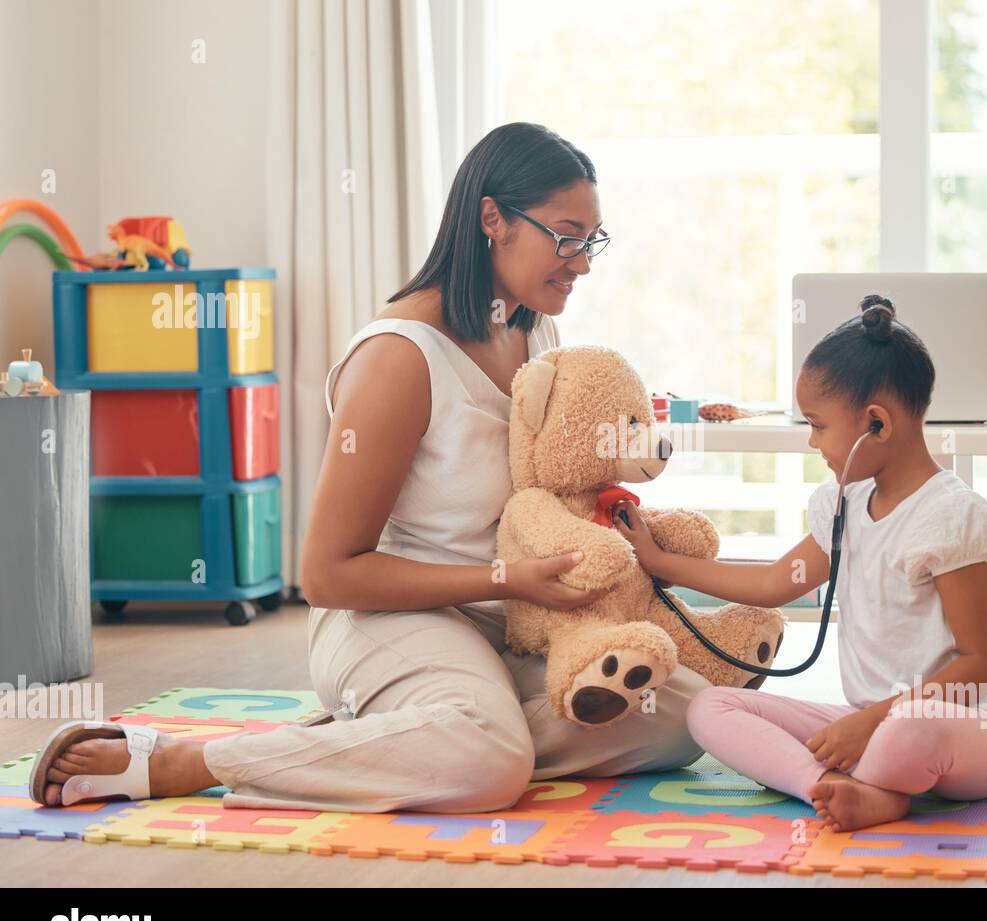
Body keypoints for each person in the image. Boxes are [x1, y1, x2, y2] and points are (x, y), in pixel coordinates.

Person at [32, 122, 708, 812]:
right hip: (389, 617)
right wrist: (504, 577)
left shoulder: (534, 328)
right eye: (567, 237)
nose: (583, 263)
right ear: (492, 219)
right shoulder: (398, 357)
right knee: (488, 763)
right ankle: (194, 760)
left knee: (685, 711)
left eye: (592, 241)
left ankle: (409, 733)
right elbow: (328, 574)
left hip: (511, 619)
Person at [612, 294, 987, 832]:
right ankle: (830, 790)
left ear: (876, 424)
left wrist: (874, 723)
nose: (812, 442)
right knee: (710, 708)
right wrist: (659, 560)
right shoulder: (842, 504)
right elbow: (769, 583)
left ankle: (871, 781)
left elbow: (985, 662)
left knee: (909, 730)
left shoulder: (949, 516)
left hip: (961, 731)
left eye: (818, 425)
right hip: (870, 726)